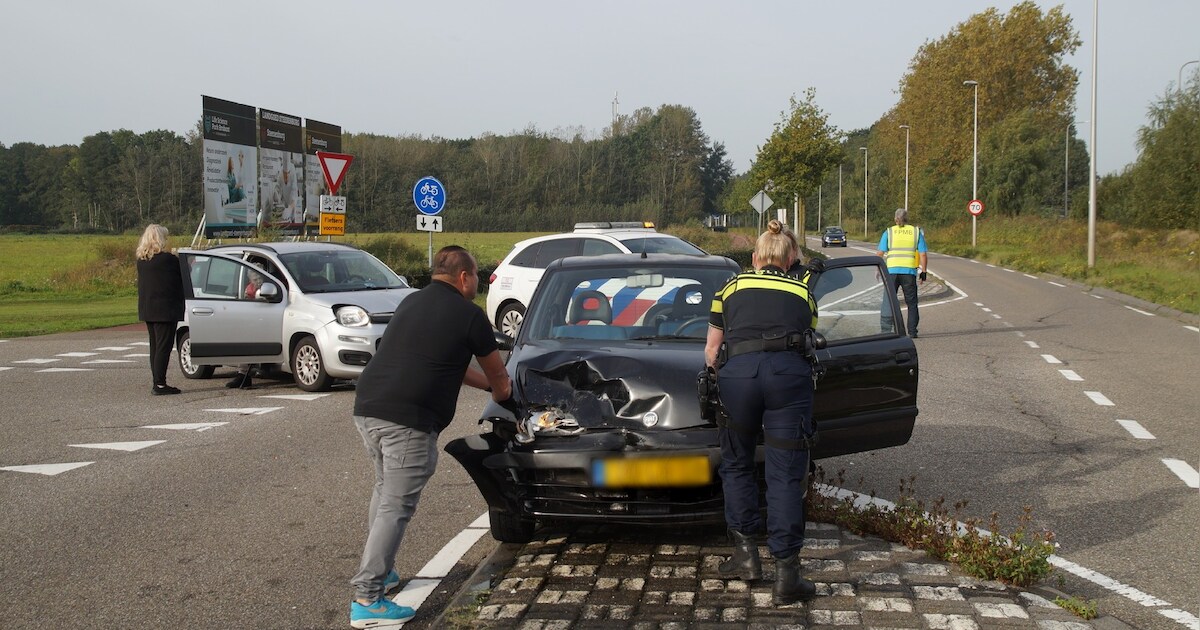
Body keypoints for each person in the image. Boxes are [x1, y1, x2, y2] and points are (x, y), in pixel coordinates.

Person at [348, 245, 515, 628]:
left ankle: (384, 573)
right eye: (475, 276)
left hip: (369, 406)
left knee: (384, 490)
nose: (475, 283)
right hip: (409, 418)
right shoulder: (469, 316)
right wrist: (504, 394)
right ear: (464, 277)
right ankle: (367, 598)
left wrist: (488, 388)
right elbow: (500, 380)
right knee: (395, 505)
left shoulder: (411, 303)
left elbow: (447, 365)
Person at [704, 219, 820, 605]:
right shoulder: (803, 292)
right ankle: (787, 575)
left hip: (739, 376)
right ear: (790, 260)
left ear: (754, 258)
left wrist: (721, 383)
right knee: (785, 473)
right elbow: (810, 335)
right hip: (788, 377)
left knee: (737, 463)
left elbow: (711, 351)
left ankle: (746, 557)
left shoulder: (730, 287)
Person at [135, 224, 185, 396]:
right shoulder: (169, 260)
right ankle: (160, 383)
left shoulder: (142, 261)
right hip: (166, 309)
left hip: (149, 308)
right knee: (164, 347)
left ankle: (157, 380)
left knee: (155, 346)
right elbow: (184, 275)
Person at [877, 208, 929, 338]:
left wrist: (877, 269)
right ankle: (912, 332)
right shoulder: (916, 232)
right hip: (909, 272)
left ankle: (887, 331)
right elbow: (922, 254)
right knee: (911, 303)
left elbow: (880, 253)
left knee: (888, 301)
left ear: (895, 218)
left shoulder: (889, 232)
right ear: (907, 218)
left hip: (891, 272)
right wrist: (923, 272)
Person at [226, 268, 266, 389]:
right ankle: (243, 374)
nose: (257, 281)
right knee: (243, 337)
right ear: (249, 279)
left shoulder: (268, 287)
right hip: (252, 321)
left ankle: (249, 371)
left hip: (265, 320)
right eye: (255, 279)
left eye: (259, 278)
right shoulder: (249, 289)